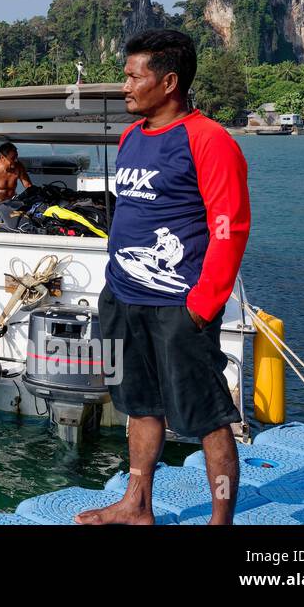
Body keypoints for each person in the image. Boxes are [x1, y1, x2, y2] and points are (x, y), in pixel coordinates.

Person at [76, 29, 250, 525]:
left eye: (134, 75)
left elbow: (229, 227)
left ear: (169, 81)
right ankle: (136, 503)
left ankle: (221, 520)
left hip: (180, 304)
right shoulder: (132, 137)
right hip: (125, 296)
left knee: (208, 416)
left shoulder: (208, 140)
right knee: (138, 402)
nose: (124, 85)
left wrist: (202, 304)